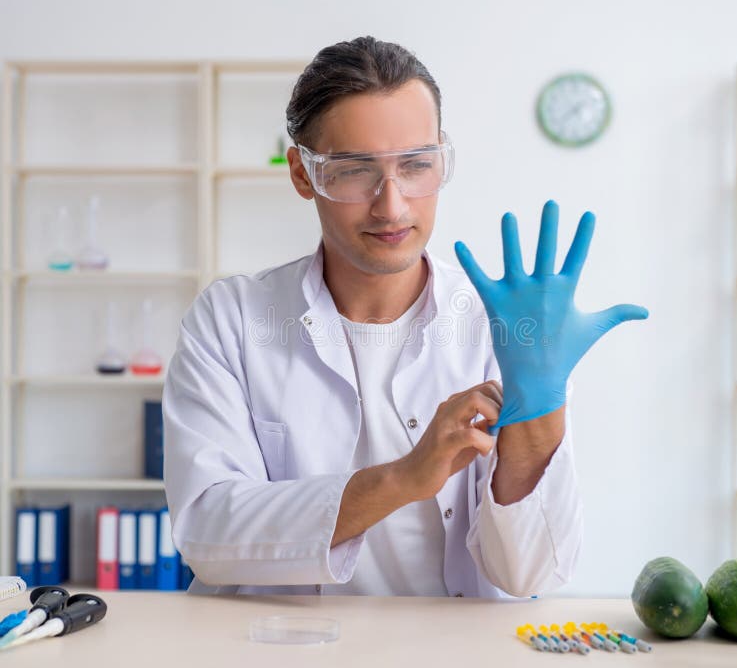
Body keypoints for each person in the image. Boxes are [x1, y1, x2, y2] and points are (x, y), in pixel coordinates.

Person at [162, 36, 648, 598]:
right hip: (277, 647)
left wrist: (543, 410)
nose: (391, 205)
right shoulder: (231, 320)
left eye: (416, 165)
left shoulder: (500, 327)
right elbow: (208, 532)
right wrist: (402, 479)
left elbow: (531, 576)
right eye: (353, 170)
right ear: (303, 174)